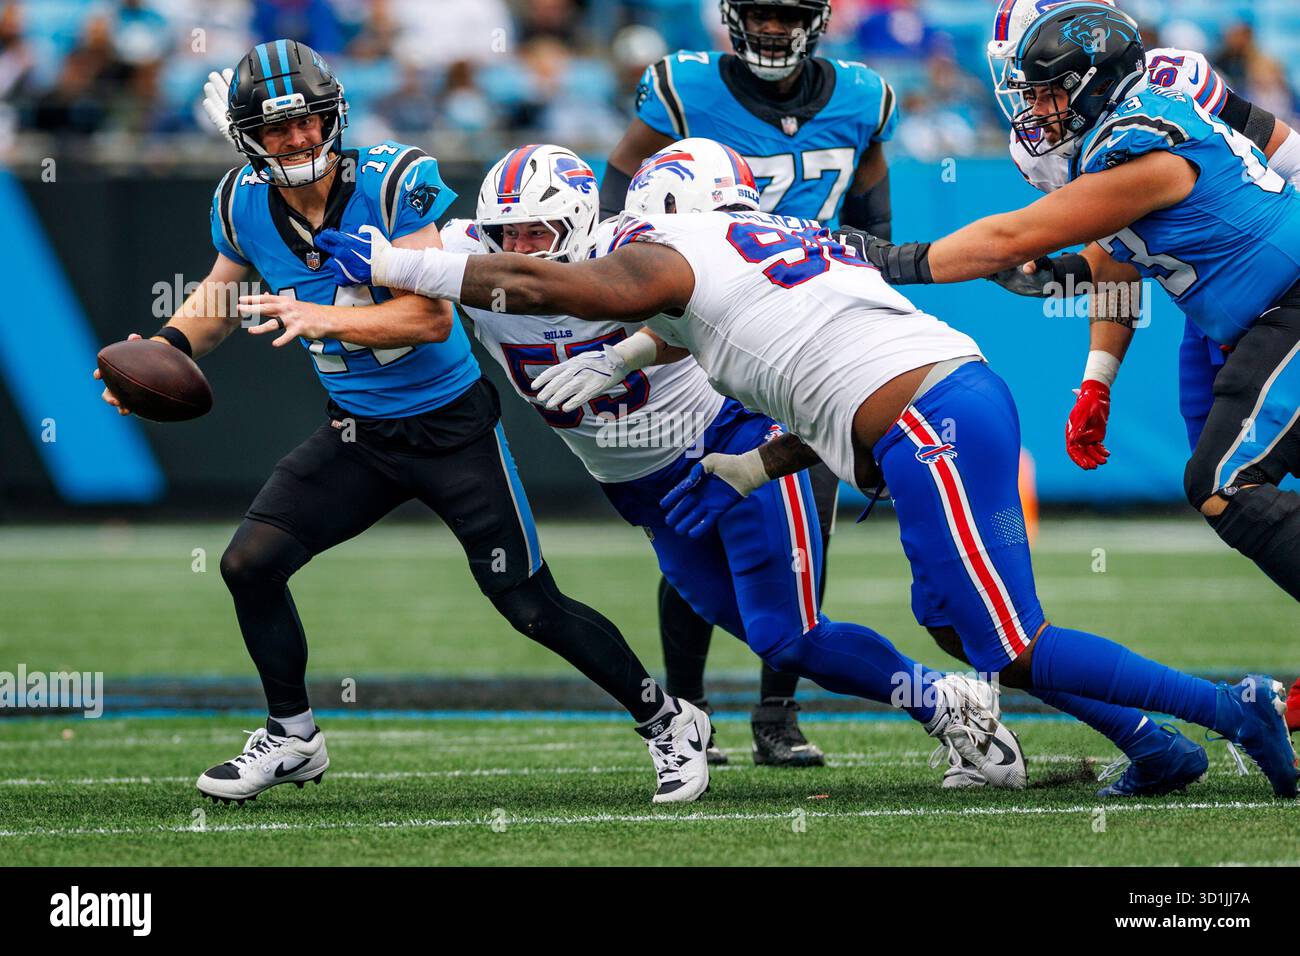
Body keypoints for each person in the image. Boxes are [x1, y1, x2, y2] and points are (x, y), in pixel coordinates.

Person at [316, 138, 1297, 798]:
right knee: (956, 621)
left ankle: (1230, 706)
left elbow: (542, 281)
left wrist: (400, 263)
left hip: (927, 419)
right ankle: (1153, 743)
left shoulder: (671, 247)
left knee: (1008, 641)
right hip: (928, 409)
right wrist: (751, 469)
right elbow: (824, 383)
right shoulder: (783, 241)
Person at [98, 41, 712, 807]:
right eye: (277, 129)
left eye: (309, 123)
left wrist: (316, 313)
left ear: (335, 118)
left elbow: (427, 317)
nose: (297, 141)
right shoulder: (240, 203)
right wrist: (161, 351)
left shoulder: (392, 181)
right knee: (248, 564)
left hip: (451, 428)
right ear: (247, 137)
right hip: (358, 433)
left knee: (527, 603)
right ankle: (293, 736)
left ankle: (666, 721)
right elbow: (221, 297)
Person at [428, 139, 1025, 787]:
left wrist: (622, 354)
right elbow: (405, 256)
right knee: (748, 623)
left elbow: (705, 308)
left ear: (577, 222)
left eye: (533, 232)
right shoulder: (470, 254)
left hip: (730, 438)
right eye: (504, 234)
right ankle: (948, 697)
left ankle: (950, 711)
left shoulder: (628, 246)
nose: (516, 250)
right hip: (637, 483)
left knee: (788, 635)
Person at [845, 3, 1300, 736]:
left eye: (1050, 90)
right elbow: (1121, 251)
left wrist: (891, 259)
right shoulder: (1121, 135)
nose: (1037, 107)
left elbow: (1010, 234)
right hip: (1265, 312)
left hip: (1287, 303)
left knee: (1223, 484)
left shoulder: (1139, 143)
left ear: (1096, 83)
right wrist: (1063, 285)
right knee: (1226, 484)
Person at [599, 0, 898, 766]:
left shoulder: (864, 97)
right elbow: (618, 186)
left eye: (786, 13)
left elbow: (874, 215)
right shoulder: (685, 88)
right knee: (700, 518)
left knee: (805, 531)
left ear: (817, 20)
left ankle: (777, 713)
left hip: (810, 337)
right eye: (758, 12)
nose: (771, 27)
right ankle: (690, 706)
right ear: (732, 16)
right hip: (705, 331)